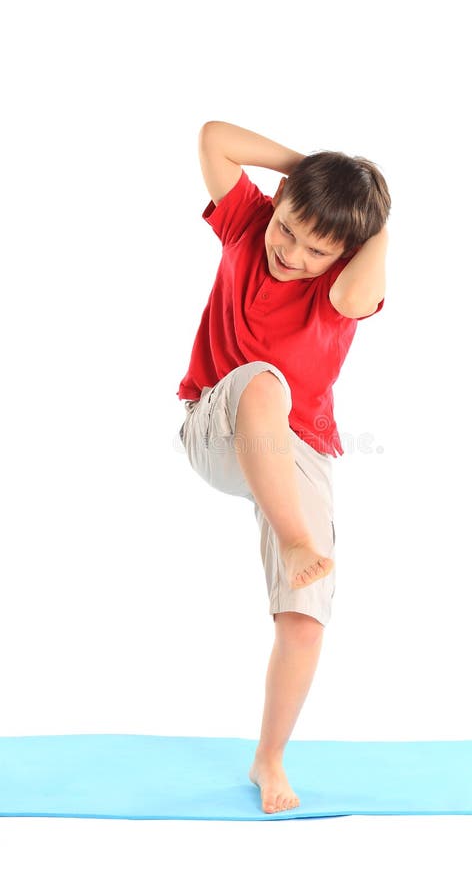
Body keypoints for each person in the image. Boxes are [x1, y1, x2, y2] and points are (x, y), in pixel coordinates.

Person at [176, 121, 390, 814]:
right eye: (290, 229)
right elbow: (213, 138)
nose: (291, 252)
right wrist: (309, 171)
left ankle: (268, 760)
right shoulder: (248, 223)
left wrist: (371, 212)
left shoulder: (341, 291)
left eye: (319, 249)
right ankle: (296, 539)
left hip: (296, 448)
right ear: (279, 205)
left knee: (305, 617)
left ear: (346, 254)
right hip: (219, 420)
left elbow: (361, 276)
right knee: (265, 381)